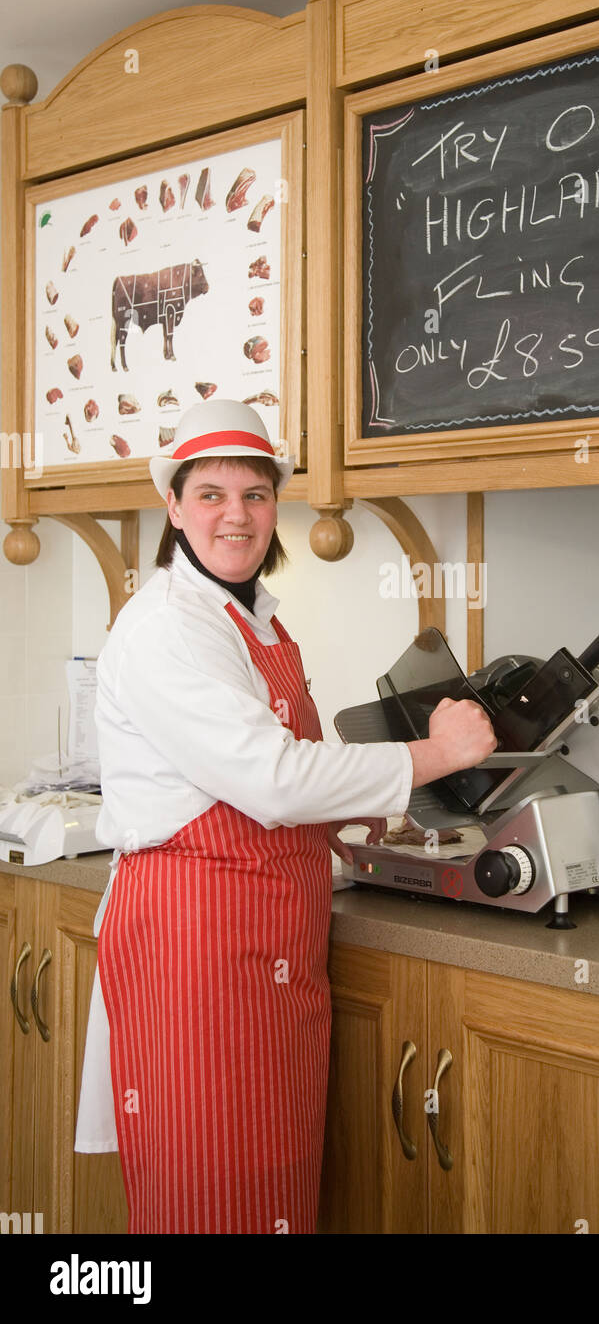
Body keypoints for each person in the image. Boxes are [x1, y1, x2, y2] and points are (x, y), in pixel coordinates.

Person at [73, 399, 495, 1234]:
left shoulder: (253, 613)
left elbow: (267, 777)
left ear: (276, 505)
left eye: (256, 495)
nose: (237, 515)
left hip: (271, 939)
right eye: (212, 495)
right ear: (174, 507)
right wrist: (435, 755)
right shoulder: (165, 626)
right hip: (194, 941)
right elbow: (269, 778)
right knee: (205, 1183)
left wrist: (339, 818)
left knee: (271, 1177)